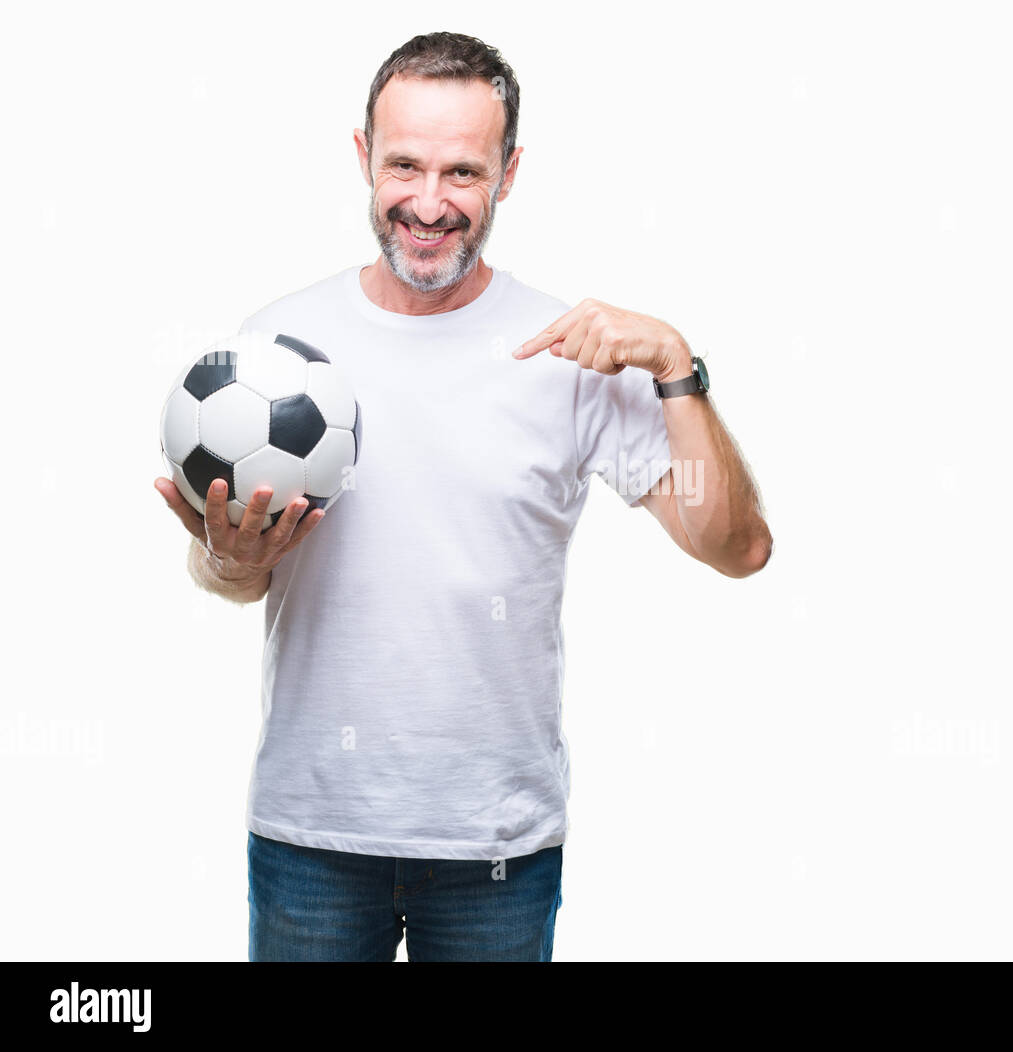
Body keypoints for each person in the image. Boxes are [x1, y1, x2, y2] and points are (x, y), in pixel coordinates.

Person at [153, 31, 772, 962]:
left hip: (499, 850)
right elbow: (234, 576)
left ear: (509, 173)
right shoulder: (278, 346)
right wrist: (227, 561)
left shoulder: (569, 349)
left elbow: (736, 547)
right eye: (404, 165)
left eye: (463, 172)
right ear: (363, 157)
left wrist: (679, 370)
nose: (429, 205)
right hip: (312, 836)